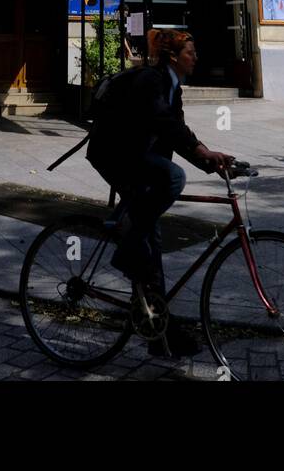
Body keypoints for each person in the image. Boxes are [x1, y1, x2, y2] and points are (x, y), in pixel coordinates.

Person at [86, 28, 235, 355]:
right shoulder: (152, 81)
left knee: (150, 246)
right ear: (173, 57)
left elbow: (178, 133)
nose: (195, 57)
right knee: (172, 179)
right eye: (190, 52)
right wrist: (200, 152)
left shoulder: (173, 88)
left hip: (138, 160)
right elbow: (163, 123)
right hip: (115, 155)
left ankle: (157, 330)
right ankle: (126, 246)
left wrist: (211, 159)